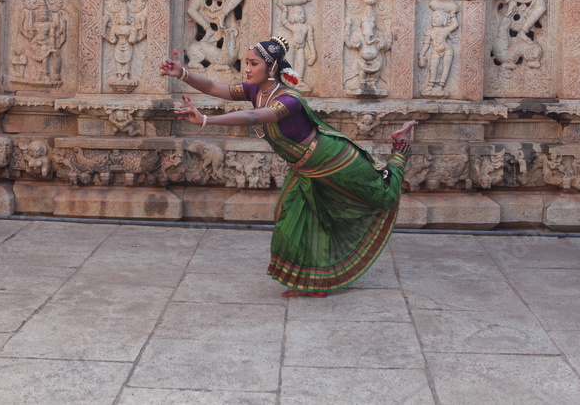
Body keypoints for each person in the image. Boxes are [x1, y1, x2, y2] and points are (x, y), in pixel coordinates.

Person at [160, 36, 416, 298]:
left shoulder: (288, 99)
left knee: (383, 196)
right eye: (246, 63)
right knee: (294, 219)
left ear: (271, 68)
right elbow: (215, 87)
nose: (246, 69)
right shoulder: (254, 91)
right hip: (304, 168)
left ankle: (401, 147)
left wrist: (205, 120)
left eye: (253, 63)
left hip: (333, 159)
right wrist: (182, 73)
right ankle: (315, 283)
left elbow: (252, 117)